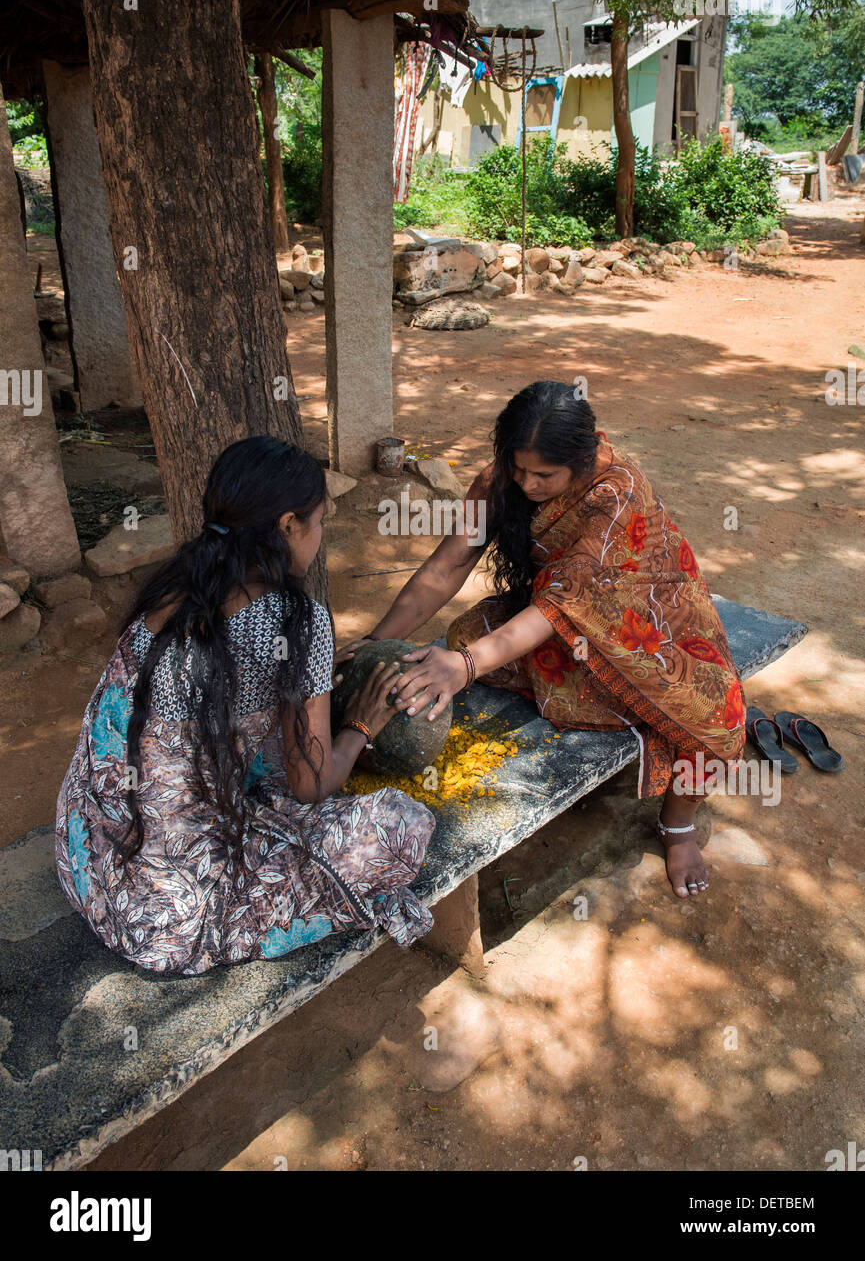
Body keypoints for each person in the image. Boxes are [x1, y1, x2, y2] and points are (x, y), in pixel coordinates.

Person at [336, 382, 745, 899]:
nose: (526, 484)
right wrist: (374, 642)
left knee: (714, 711)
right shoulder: (503, 479)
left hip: (650, 622)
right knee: (468, 634)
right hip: (559, 614)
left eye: (544, 475)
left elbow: (558, 608)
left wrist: (463, 666)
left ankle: (678, 825)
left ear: (583, 459)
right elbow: (447, 568)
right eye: (517, 468)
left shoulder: (615, 495)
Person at [55, 436, 434, 975]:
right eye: (320, 521)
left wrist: (309, 679)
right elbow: (309, 785)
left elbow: (226, 693)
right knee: (402, 826)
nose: (322, 536)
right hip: (170, 918)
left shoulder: (172, 584)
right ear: (286, 525)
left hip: (90, 861)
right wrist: (360, 726)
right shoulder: (296, 622)